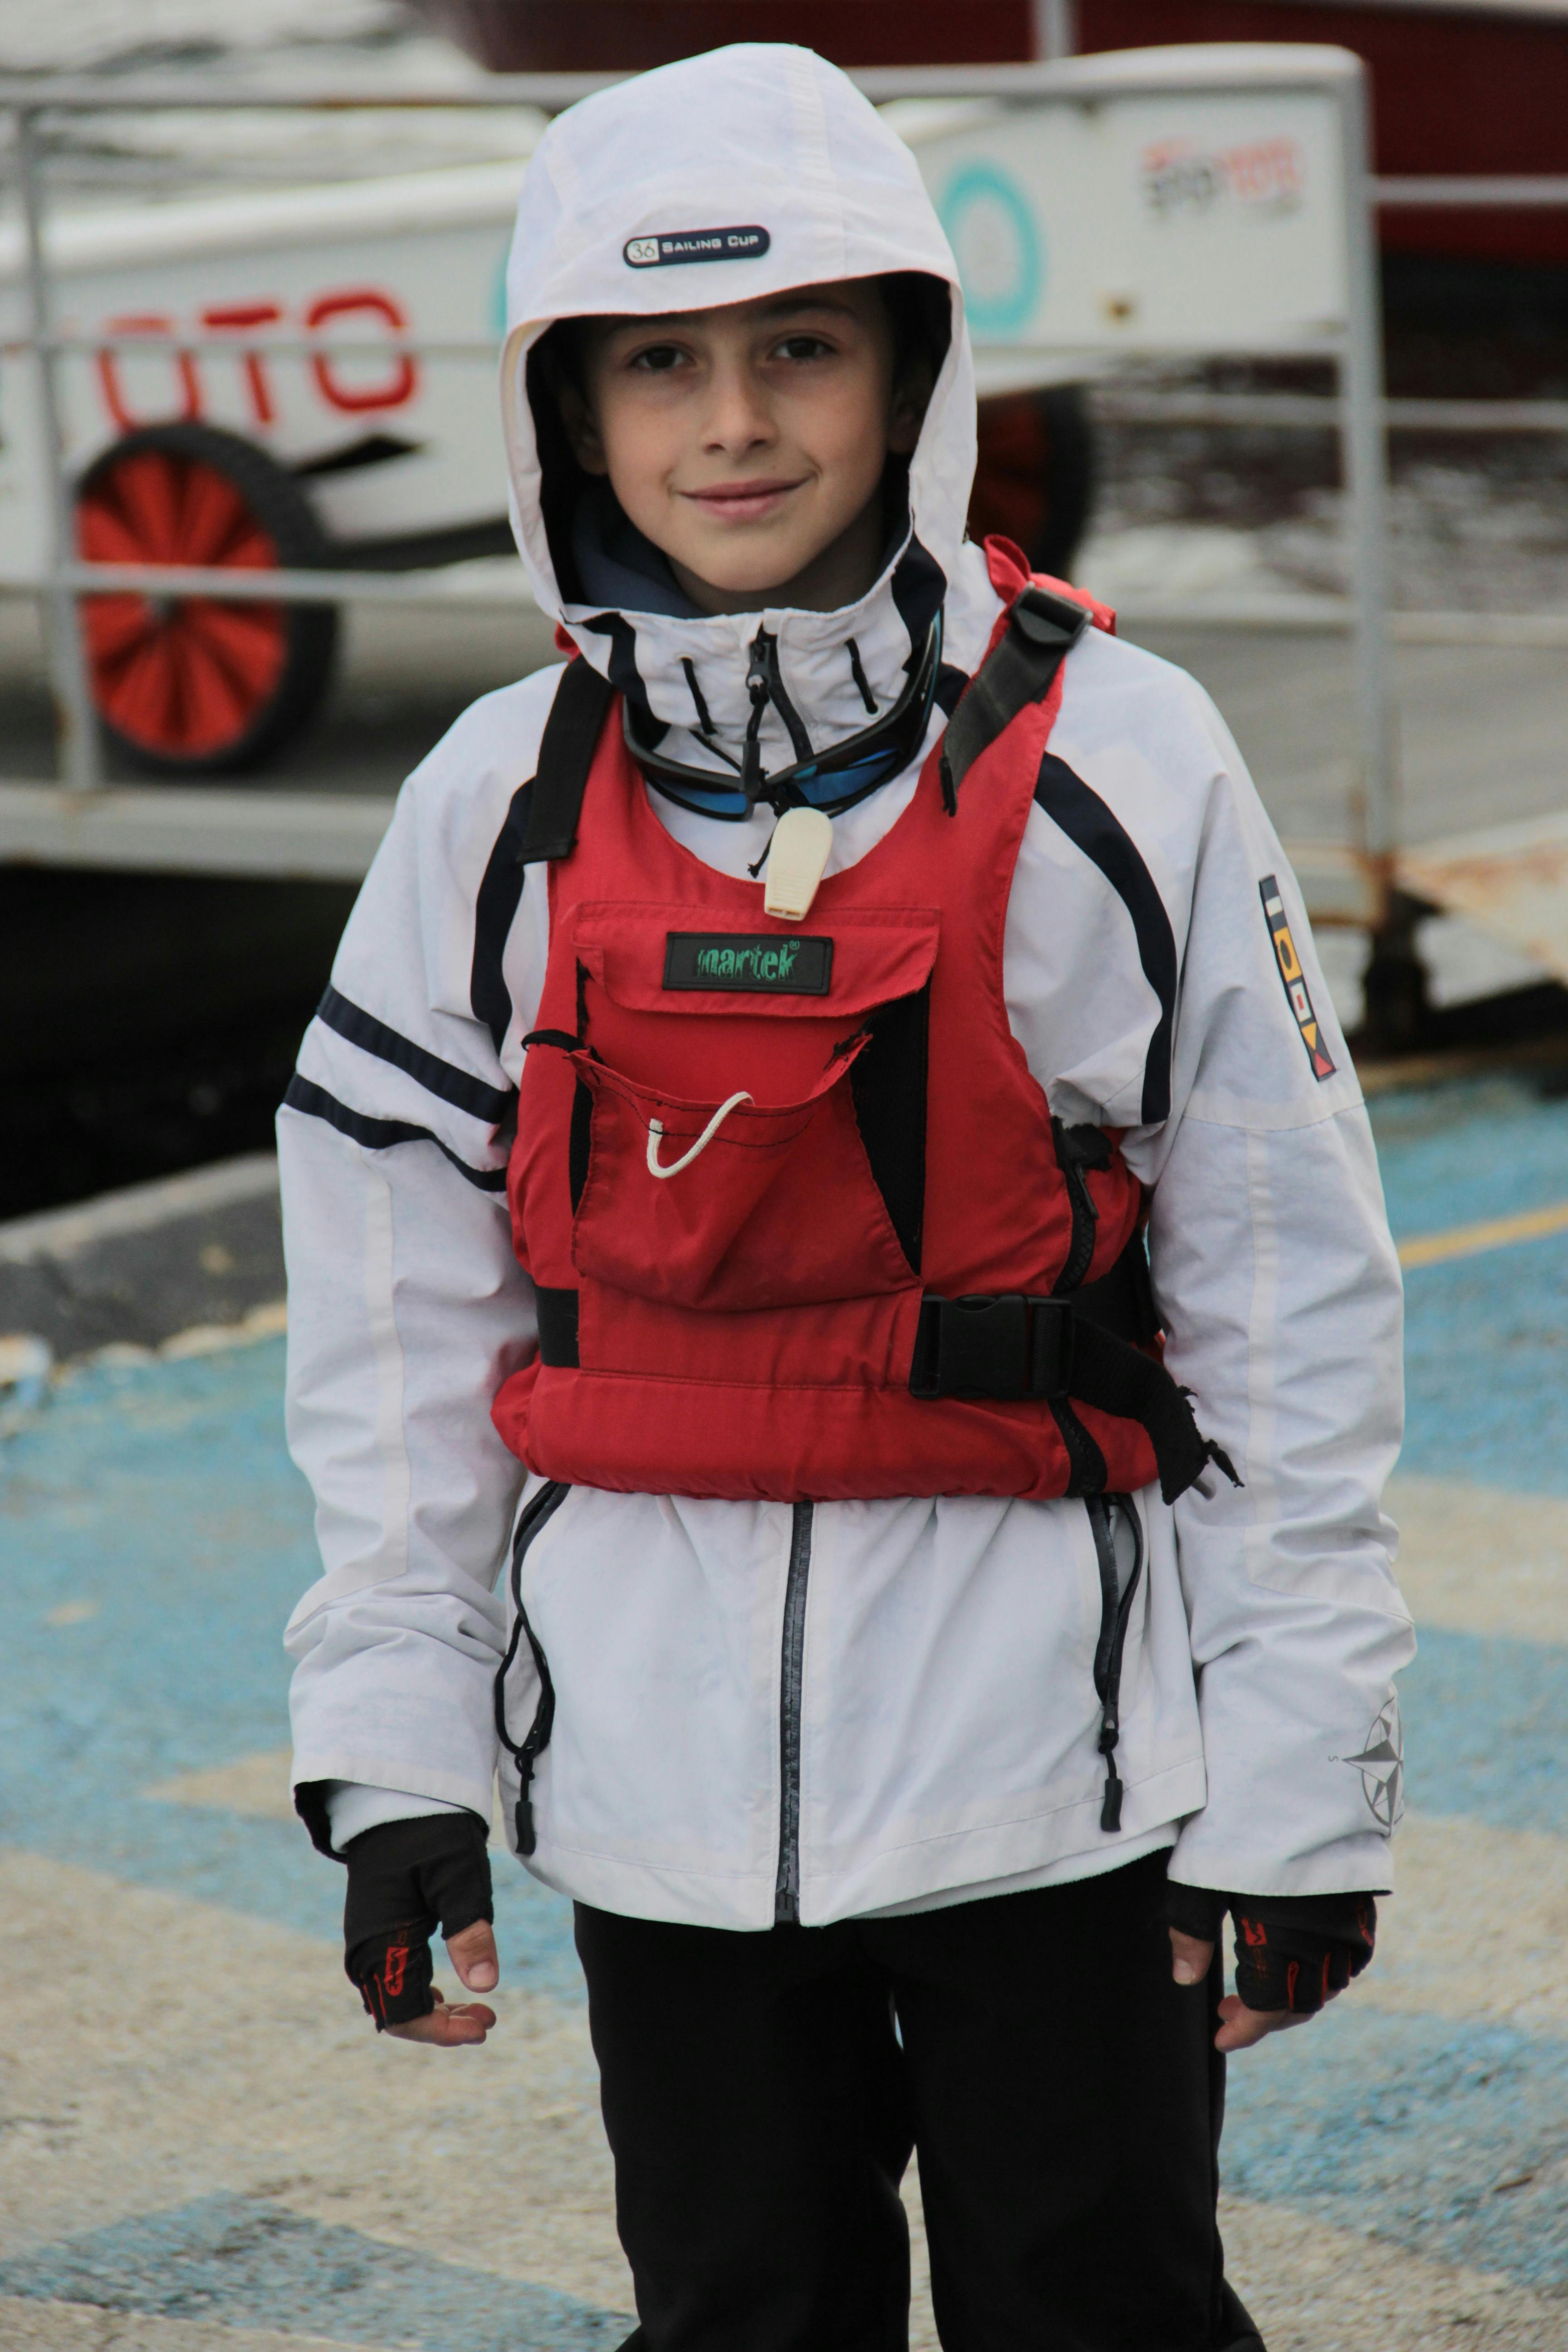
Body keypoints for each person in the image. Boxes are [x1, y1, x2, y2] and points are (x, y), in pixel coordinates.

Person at [280, 43, 1413, 2352]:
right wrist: (398, 1755)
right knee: (738, 2308)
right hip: (650, 1800)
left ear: (913, 375)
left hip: (1059, 1779)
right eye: (658, 363)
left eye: (798, 345)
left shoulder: (1130, 762)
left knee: (1099, 2304)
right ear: (565, 411)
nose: (733, 423)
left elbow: (1291, 1288)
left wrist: (1305, 1789)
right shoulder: (488, 807)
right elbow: (394, 1317)